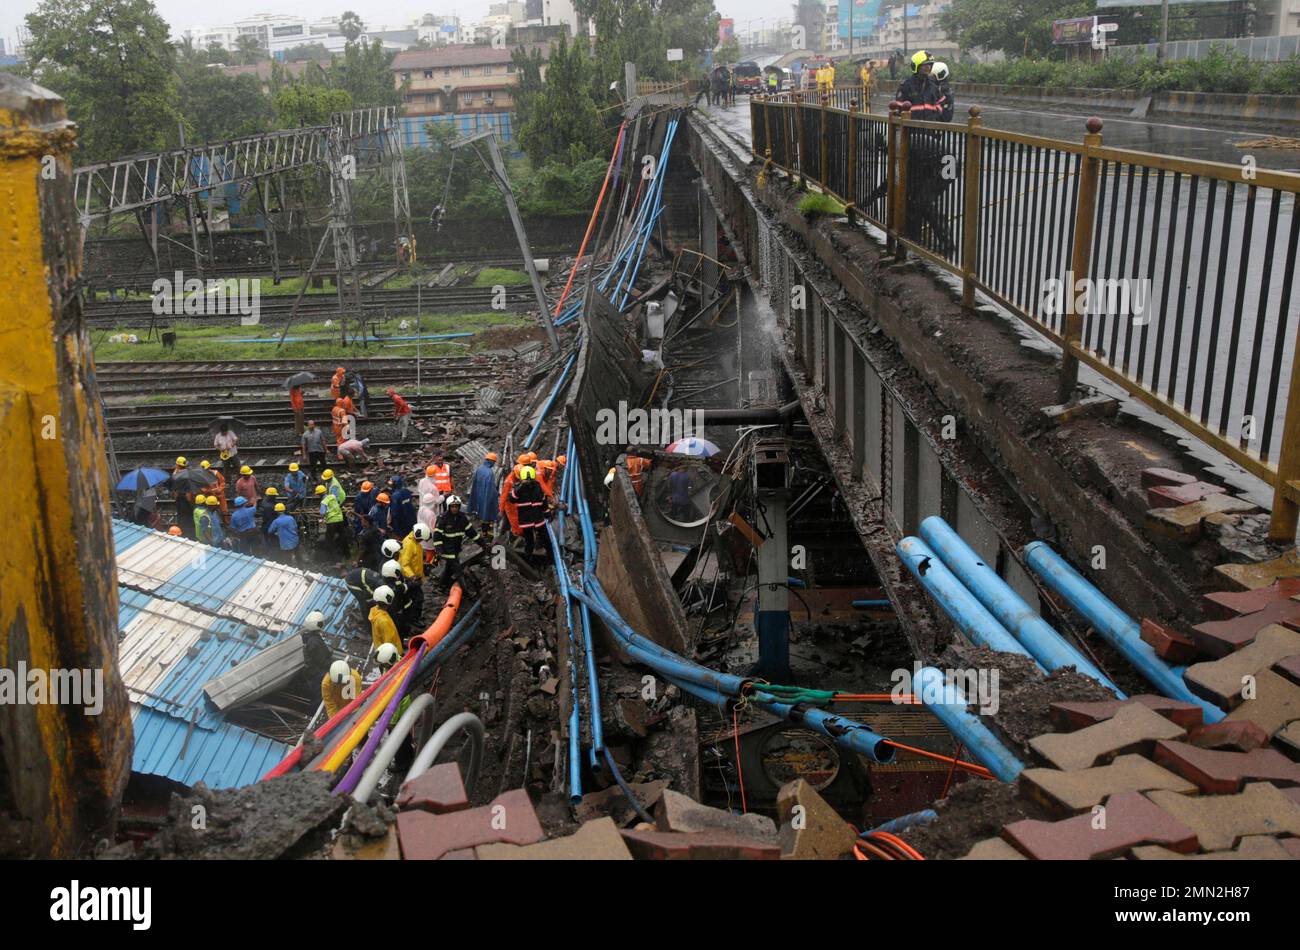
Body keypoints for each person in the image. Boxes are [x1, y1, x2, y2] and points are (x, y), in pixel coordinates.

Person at [433, 494, 481, 593]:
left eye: (456, 506)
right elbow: (437, 536)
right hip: (447, 549)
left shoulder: (462, 518)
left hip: (456, 548)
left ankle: (441, 587)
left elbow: (471, 532)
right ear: (448, 506)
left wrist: (482, 543)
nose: (454, 508)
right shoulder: (443, 518)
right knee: (458, 570)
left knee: (449, 569)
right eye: (452, 506)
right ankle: (468, 592)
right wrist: (439, 550)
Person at [510, 466, 550, 566]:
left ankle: (549, 559)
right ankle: (529, 562)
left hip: (533, 519)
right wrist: (547, 513)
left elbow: (543, 500)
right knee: (530, 542)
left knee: (544, 540)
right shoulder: (519, 488)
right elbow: (512, 499)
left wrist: (547, 513)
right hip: (531, 520)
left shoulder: (536, 486)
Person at [895, 50, 943, 121]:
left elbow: (939, 106)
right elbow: (899, 109)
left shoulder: (933, 86)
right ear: (916, 66)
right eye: (925, 65)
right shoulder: (906, 86)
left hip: (930, 130)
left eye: (930, 64)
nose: (928, 67)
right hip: (911, 130)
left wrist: (934, 118)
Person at [316, 484, 350, 562]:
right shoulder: (332, 496)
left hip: (331, 521)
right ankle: (347, 554)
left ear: (319, 494)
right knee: (343, 537)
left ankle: (331, 558)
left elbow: (322, 513)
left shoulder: (323, 502)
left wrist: (320, 514)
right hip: (340, 519)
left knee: (329, 540)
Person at [369, 586, 403, 654]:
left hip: (381, 646)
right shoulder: (383, 621)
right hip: (392, 652)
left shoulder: (374, 610)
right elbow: (390, 641)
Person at [468, 452, 499, 527]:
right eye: (494, 462)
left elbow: (475, 483)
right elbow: (491, 488)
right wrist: (496, 495)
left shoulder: (480, 469)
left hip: (479, 495)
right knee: (487, 512)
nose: (494, 464)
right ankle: (486, 530)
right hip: (486, 496)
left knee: (481, 511)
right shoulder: (489, 473)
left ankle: (484, 530)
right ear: (491, 461)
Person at [172, 456, 196, 539]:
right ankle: (190, 536)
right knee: (189, 519)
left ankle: (182, 533)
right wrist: (191, 503)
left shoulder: (175, 475)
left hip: (179, 500)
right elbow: (188, 494)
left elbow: (174, 491)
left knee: (181, 519)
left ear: (177, 465)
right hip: (186, 501)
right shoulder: (188, 475)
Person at [201, 460, 228, 524]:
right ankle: (213, 523)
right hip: (210, 496)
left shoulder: (216, 473)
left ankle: (226, 522)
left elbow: (223, 482)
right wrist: (209, 491)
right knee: (211, 510)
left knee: (224, 510)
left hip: (219, 494)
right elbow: (202, 488)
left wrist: (220, 489)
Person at [417, 493, 440, 562]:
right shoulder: (431, 514)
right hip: (429, 538)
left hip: (421, 536)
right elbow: (433, 529)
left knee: (424, 551)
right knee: (430, 552)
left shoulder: (421, 509)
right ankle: (428, 566)